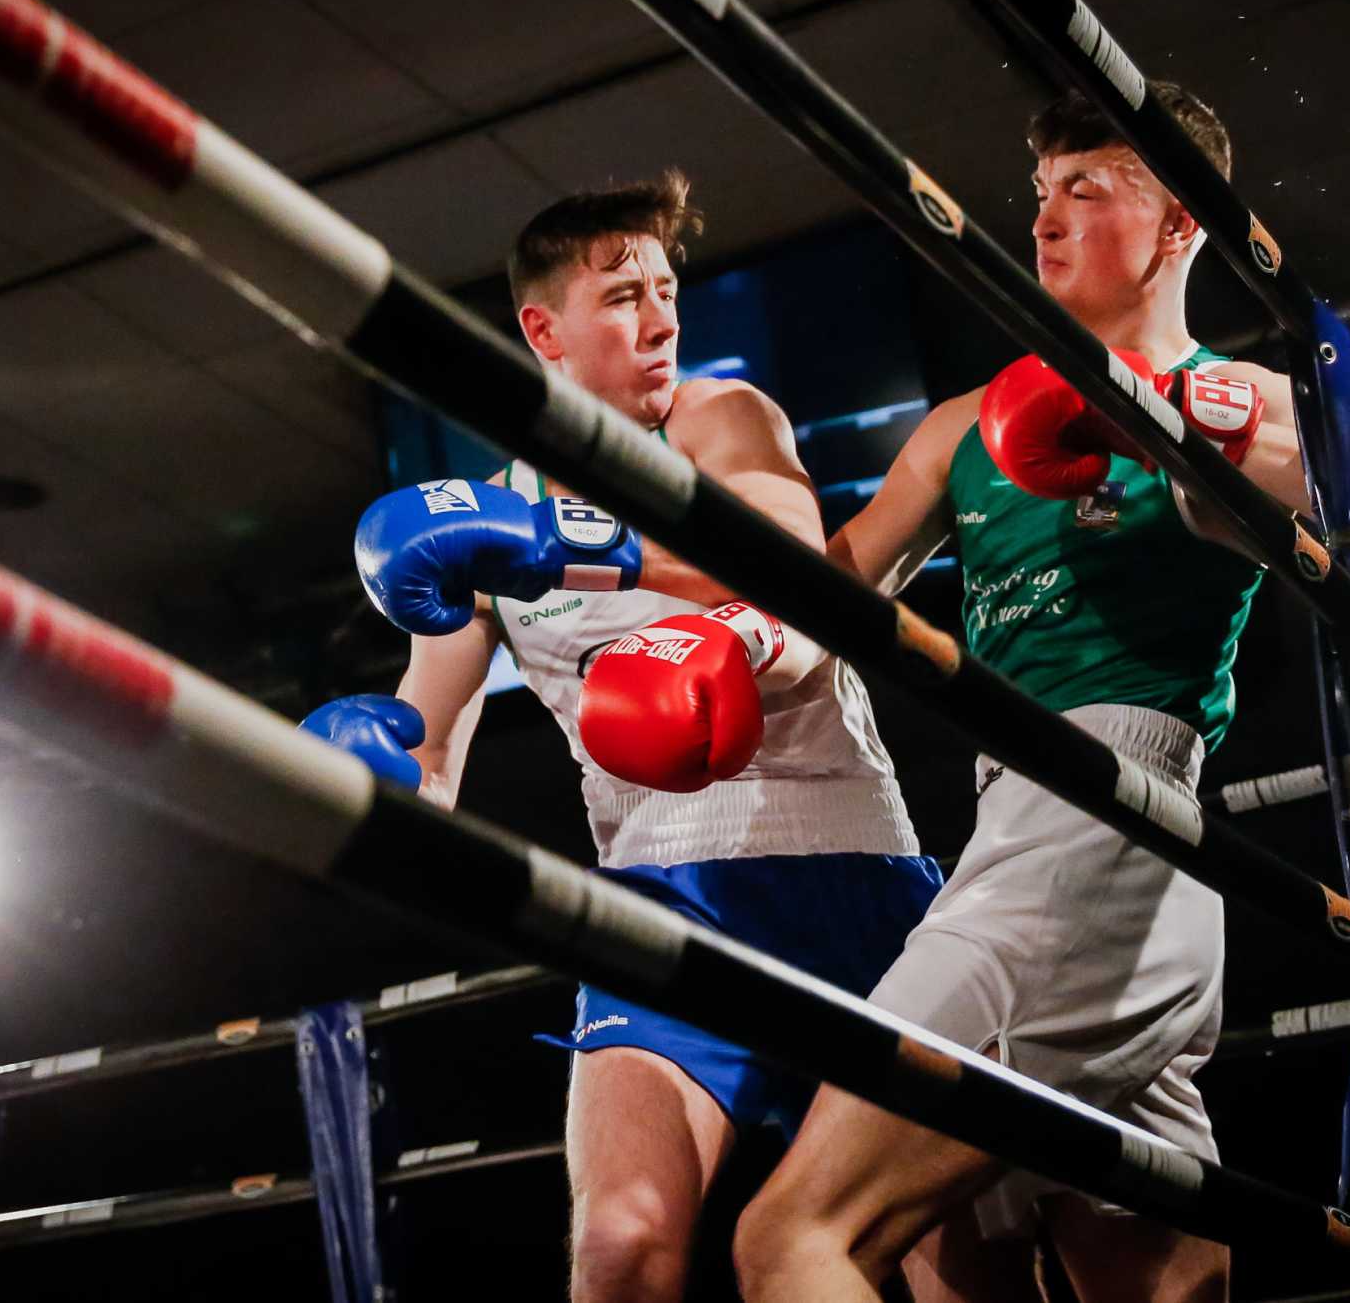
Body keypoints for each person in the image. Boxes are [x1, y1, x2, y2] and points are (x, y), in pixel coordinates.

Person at [730, 83, 1350, 1303]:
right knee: (1018, 1274)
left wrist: (1182, 429)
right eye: (1040, 191)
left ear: (1180, 223)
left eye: (1087, 187)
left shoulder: (1241, 392)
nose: (1045, 216)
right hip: (1022, 832)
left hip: (1106, 833)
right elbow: (830, 598)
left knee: (792, 1238)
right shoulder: (966, 425)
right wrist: (701, 638)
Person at [302, 171, 940, 1303]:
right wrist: (373, 775)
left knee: (949, 1262)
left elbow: (799, 588)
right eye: (623, 297)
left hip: (846, 868)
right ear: (544, 330)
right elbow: (432, 752)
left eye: (666, 291)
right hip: (660, 900)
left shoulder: (723, 420)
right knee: (621, 1246)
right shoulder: (480, 530)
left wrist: (573, 539)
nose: (661, 321)